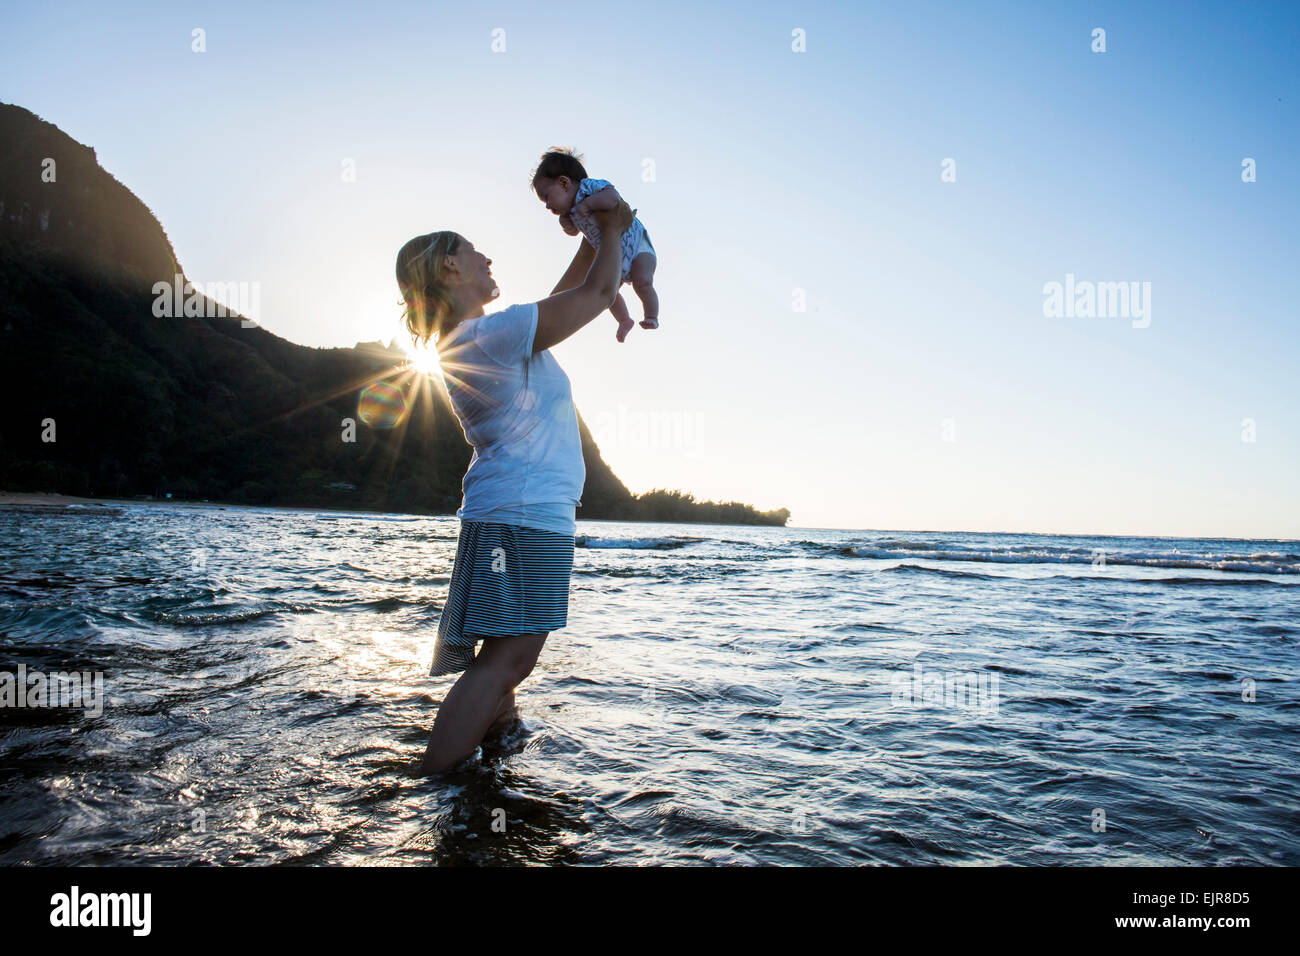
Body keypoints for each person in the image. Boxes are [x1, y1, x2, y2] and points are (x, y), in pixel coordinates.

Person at [394, 197, 637, 775]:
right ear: (450, 268)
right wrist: (613, 227)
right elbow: (596, 298)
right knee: (510, 659)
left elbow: (566, 297)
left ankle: (494, 759)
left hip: (510, 510)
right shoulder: (488, 336)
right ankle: (436, 784)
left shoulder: (481, 337)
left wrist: (595, 238)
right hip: (523, 512)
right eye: (473, 252)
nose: (486, 258)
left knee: (499, 655)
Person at [531, 147, 658, 342]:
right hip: (615, 255)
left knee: (642, 283)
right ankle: (624, 320)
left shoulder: (588, 188)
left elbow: (612, 198)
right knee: (609, 292)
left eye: (547, 197)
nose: (548, 206)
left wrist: (588, 205)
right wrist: (568, 226)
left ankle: (651, 316)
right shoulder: (571, 212)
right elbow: (575, 233)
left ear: (564, 183)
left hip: (638, 248)